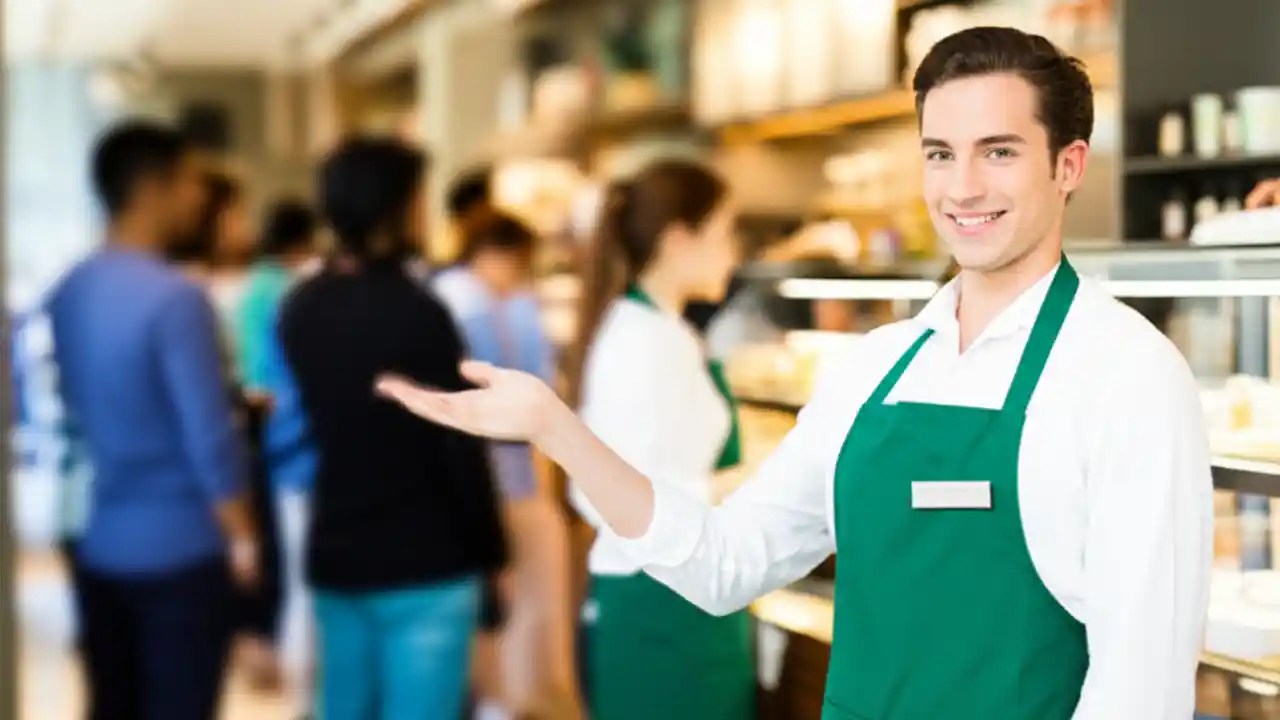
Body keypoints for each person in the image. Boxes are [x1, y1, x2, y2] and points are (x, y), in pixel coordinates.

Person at [379, 27, 1214, 719]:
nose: (962, 187)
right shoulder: (877, 366)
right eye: (940, 153)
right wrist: (555, 429)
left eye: (998, 152)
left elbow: (1143, 690)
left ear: (1068, 165)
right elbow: (726, 562)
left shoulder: (1127, 374)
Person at [263, 136, 507, 719]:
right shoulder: (420, 312)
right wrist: (493, 556)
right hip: (428, 557)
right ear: (396, 206)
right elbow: (457, 441)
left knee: (343, 707)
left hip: (338, 545)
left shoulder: (301, 307)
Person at [47, 120, 259, 720]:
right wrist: (244, 536)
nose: (199, 196)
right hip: (182, 550)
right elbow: (209, 437)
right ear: (151, 187)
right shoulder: (176, 298)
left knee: (112, 704)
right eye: (190, 180)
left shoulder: (69, 291)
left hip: (101, 542)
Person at [433, 213, 584, 720]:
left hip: (465, 484)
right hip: (497, 479)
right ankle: (506, 702)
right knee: (508, 602)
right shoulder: (482, 311)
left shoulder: (449, 298)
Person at [232, 199, 320, 715]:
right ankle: (302, 695)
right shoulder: (289, 289)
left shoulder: (256, 286)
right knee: (303, 583)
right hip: (297, 446)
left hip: (274, 441)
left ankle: (297, 693)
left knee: (293, 579)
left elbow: (255, 378)